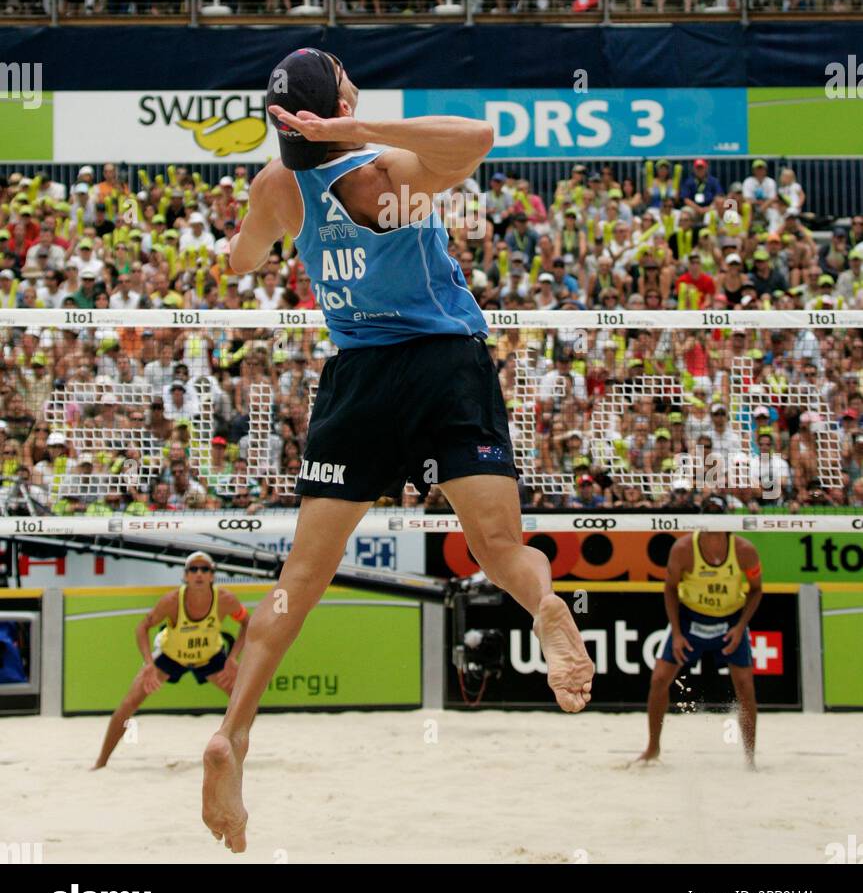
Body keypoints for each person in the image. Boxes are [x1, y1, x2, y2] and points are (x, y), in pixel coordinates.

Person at [201, 47, 595, 850]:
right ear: (334, 101)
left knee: (298, 581)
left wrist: (246, 249)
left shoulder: (277, 187)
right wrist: (355, 127)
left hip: (357, 379)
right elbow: (477, 136)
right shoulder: (387, 178)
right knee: (497, 546)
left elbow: (240, 260)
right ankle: (543, 606)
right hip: (444, 365)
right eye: (345, 82)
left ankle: (232, 732)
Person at [93, 552, 248, 769]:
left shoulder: (225, 600)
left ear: (213, 576)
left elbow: (247, 624)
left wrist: (232, 657)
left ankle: (233, 756)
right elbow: (142, 628)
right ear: (185, 575)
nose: (199, 574)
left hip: (209, 656)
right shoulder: (172, 601)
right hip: (171, 655)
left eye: (205, 569)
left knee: (245, 702)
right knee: (128, 705)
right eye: (193, 569)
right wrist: (148, 663)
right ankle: (101, 762)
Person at [637, 505, 763, 766]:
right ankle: (652, 748)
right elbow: (670, 589)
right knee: (659, 679)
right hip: (690, 617)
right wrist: (679, 633)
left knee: (745, 687)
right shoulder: (683, 550)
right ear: (701, 522)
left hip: (730, 619)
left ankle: (750, 758)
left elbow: (756, 590)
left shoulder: (744, 551)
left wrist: (740, 627)